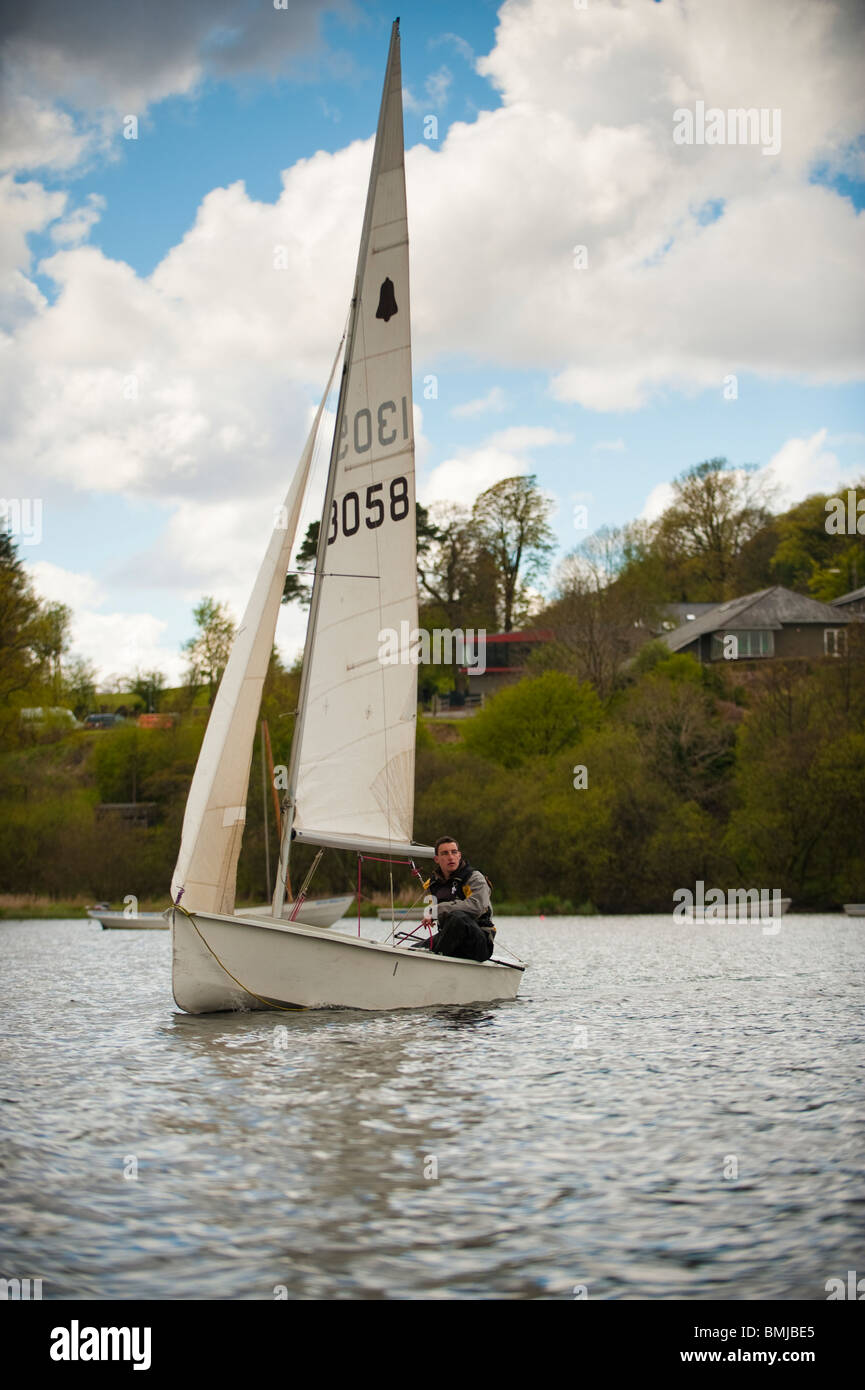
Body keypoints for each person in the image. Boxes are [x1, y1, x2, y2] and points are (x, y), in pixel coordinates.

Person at [419, 836, 495, 962]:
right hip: (450, 940)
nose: (450, 857)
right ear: (436, 859)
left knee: (458, 918)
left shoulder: (475, 878)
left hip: (479, 943)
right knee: (413, 951)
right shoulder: (433, 884)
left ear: (459, 856)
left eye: (454, 852)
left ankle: (436, 960)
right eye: (444, 853)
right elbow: (434, 910)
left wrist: (437, 910)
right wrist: (433, 914)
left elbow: (476, 907)